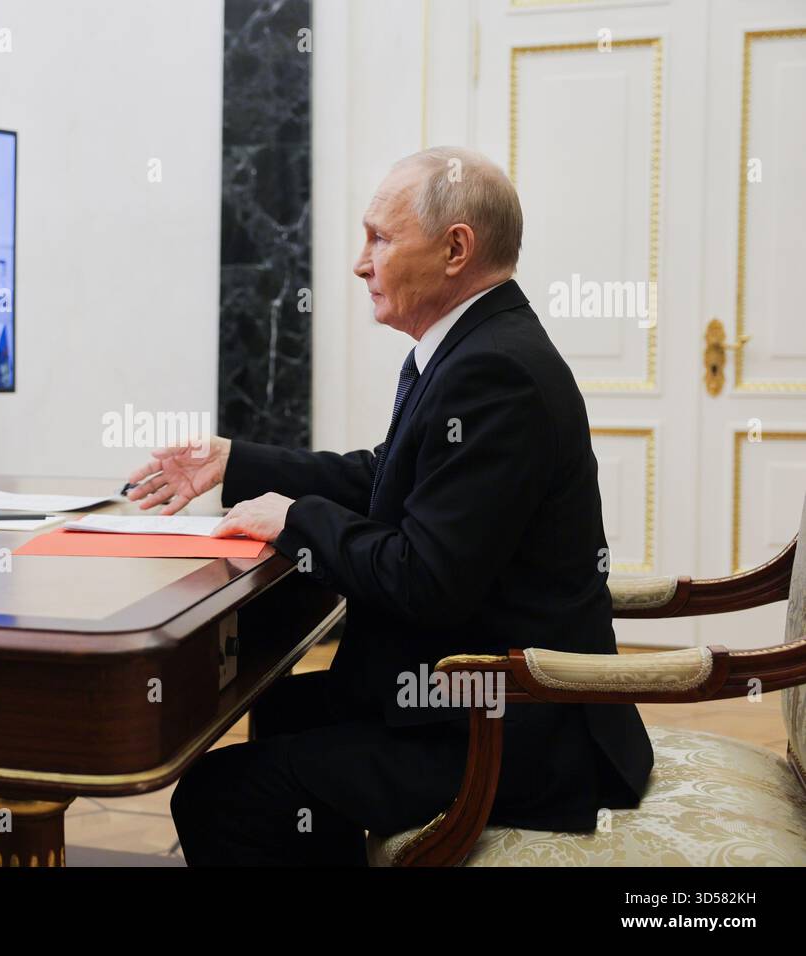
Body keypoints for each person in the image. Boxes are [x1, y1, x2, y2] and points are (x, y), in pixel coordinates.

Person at [127, 147, 653, 866]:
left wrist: (295, 519)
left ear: (455, 248)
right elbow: (388, 478)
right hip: (468, 693)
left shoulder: (495, 371)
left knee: (218, 795)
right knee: (279, 713)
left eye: (379, 237)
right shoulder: (472, 346)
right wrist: (235, 463)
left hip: (512, 729)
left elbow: (426, 580)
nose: (359, 262)